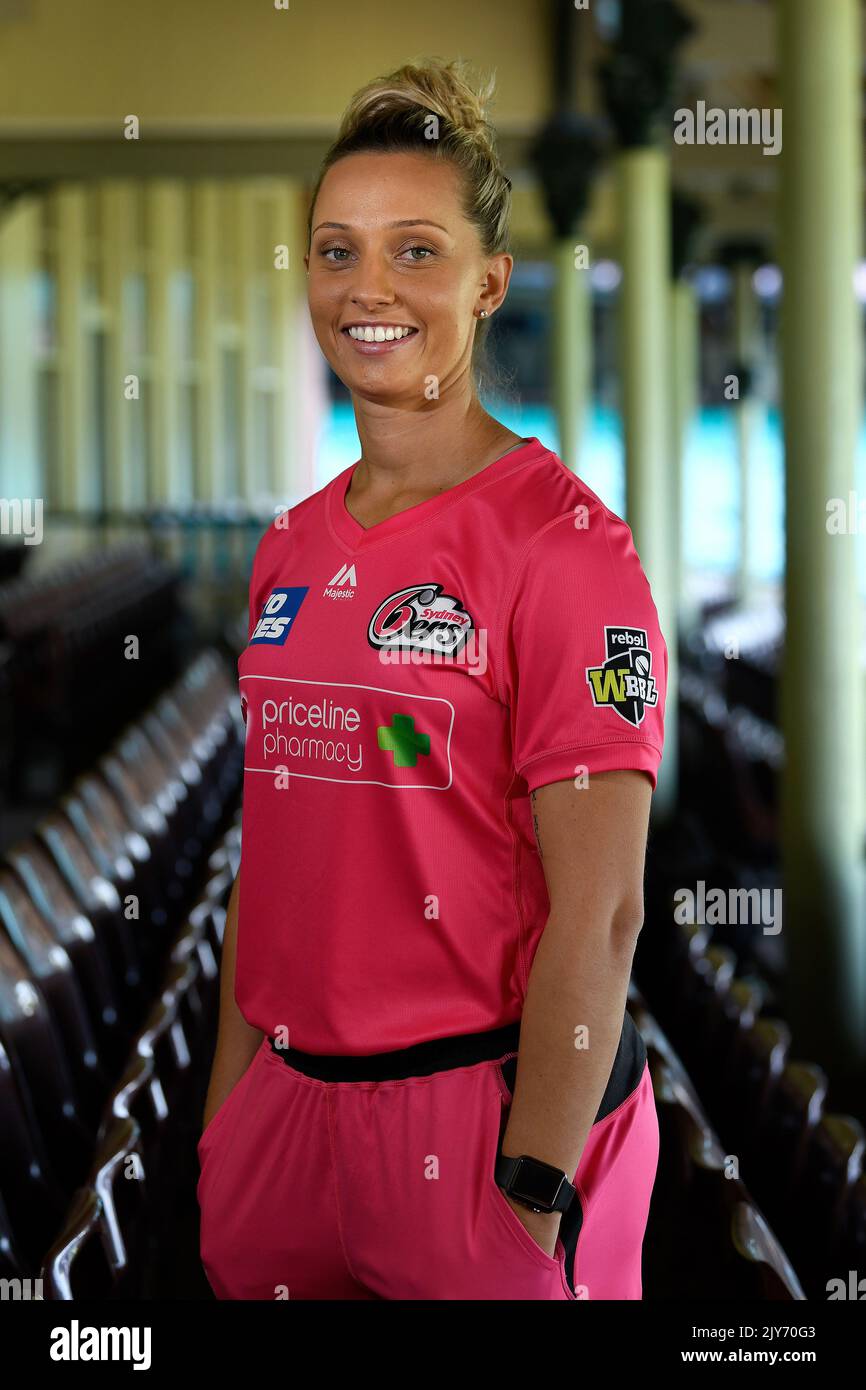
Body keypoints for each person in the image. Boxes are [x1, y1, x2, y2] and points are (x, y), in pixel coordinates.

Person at [196, 57, 667, 1301]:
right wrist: (227, 1123)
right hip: (285, 1133)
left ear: (488, 282)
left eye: (415, 251)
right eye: (336, 249)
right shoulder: (290, 545)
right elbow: (274, 849)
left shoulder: (563, 548)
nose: (368, 289)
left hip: (476, 1130)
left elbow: (604, 912)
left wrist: (531, 1187)